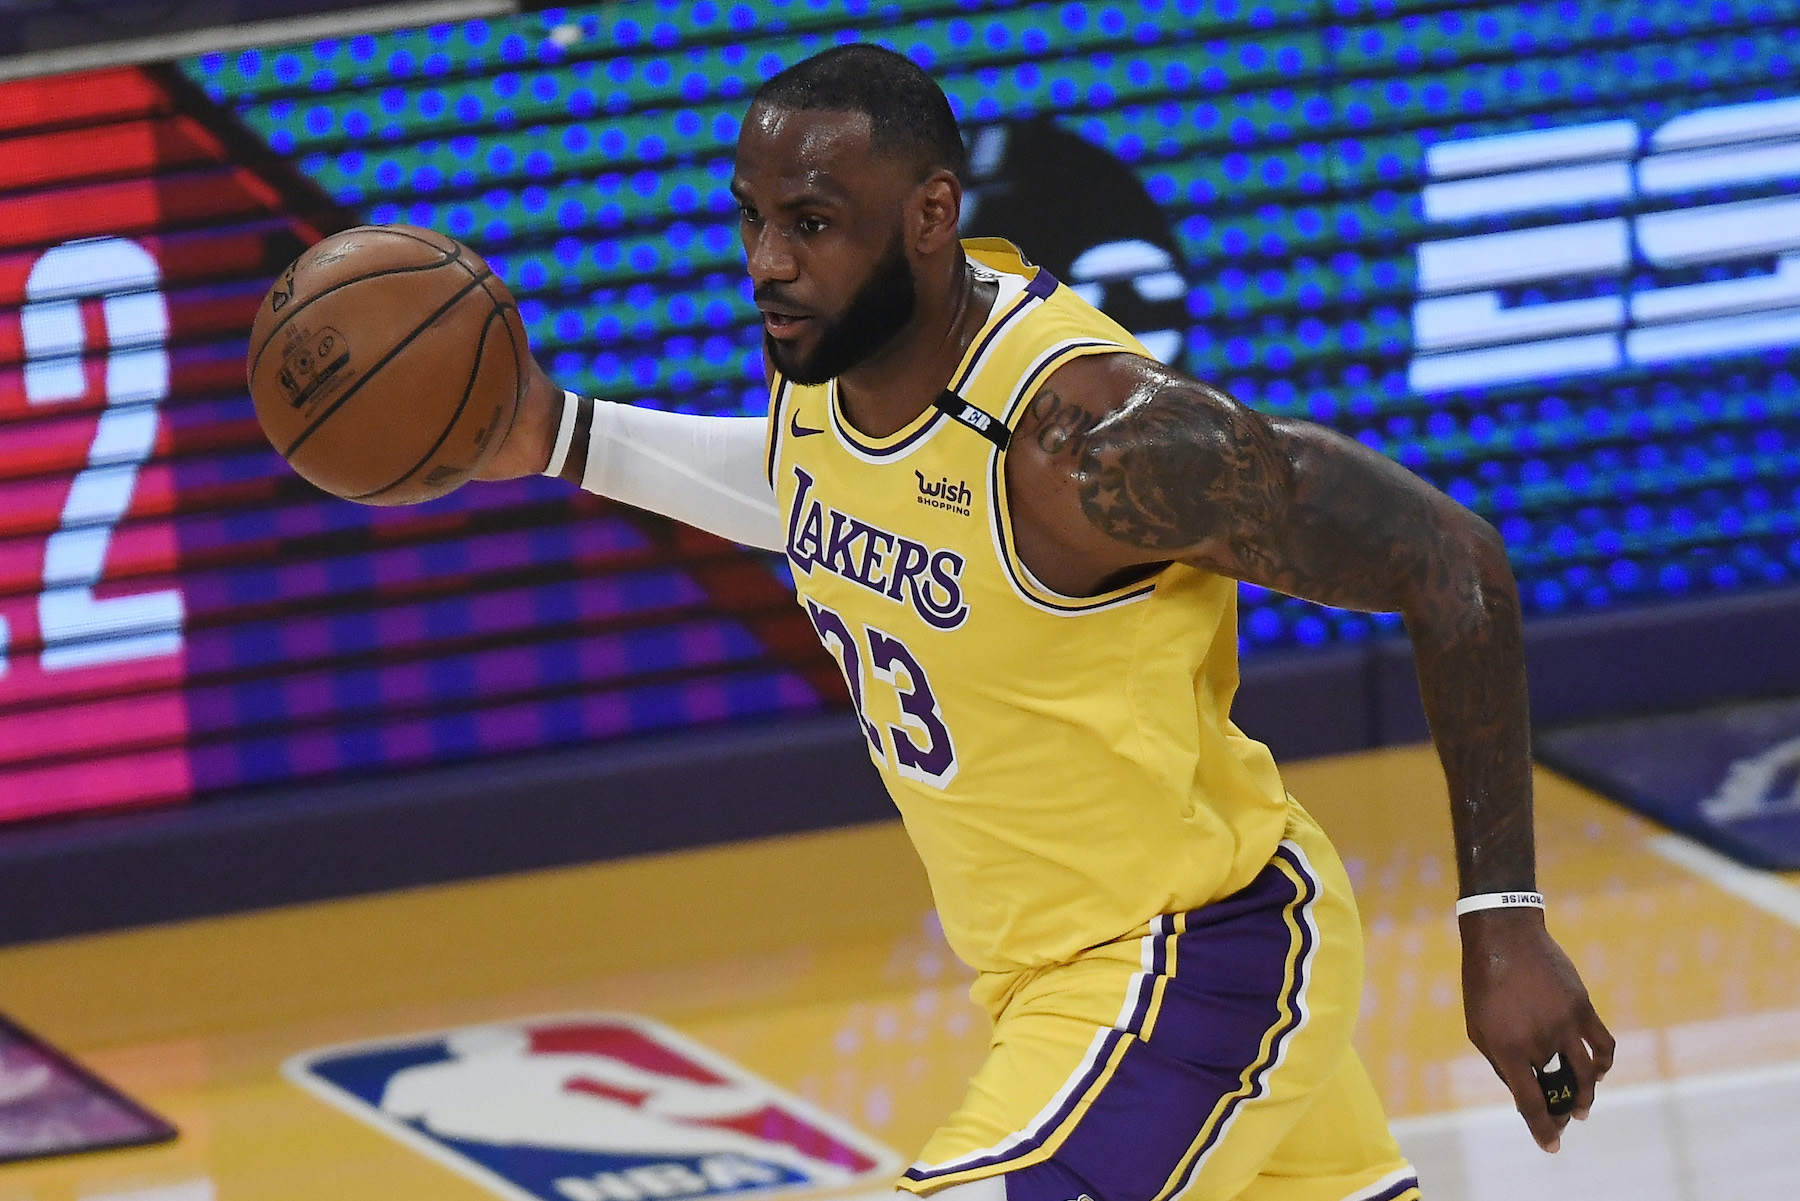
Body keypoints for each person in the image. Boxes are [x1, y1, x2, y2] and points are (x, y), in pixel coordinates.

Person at [474, 43, 1613, 1201]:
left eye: (810, 223)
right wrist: (563, 435)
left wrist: (1504, 921)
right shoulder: (829, 369)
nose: (768, 263)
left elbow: (1450, 561)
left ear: (930, 215)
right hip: (1056, 979)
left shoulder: (1093, 443)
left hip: (1194, 958)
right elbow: (810, 491)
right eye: (751, 219)